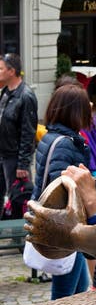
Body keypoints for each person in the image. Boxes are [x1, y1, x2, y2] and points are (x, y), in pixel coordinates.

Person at [32, 82, 92, 299]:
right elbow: (62, 187)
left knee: (79, 286)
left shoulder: (50, 137)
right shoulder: (66, 143)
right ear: (76, 112)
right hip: (65, 227)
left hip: (62, 226)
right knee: (64, 293)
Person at [0, 53, 38, 207]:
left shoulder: (26, 95)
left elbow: (28, 132)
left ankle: (18, 228)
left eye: (0, 68)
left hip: (14, 158)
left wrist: (23, 164)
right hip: (2, 154)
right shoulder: (5, 91)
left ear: (12, 71)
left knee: (17, 197)